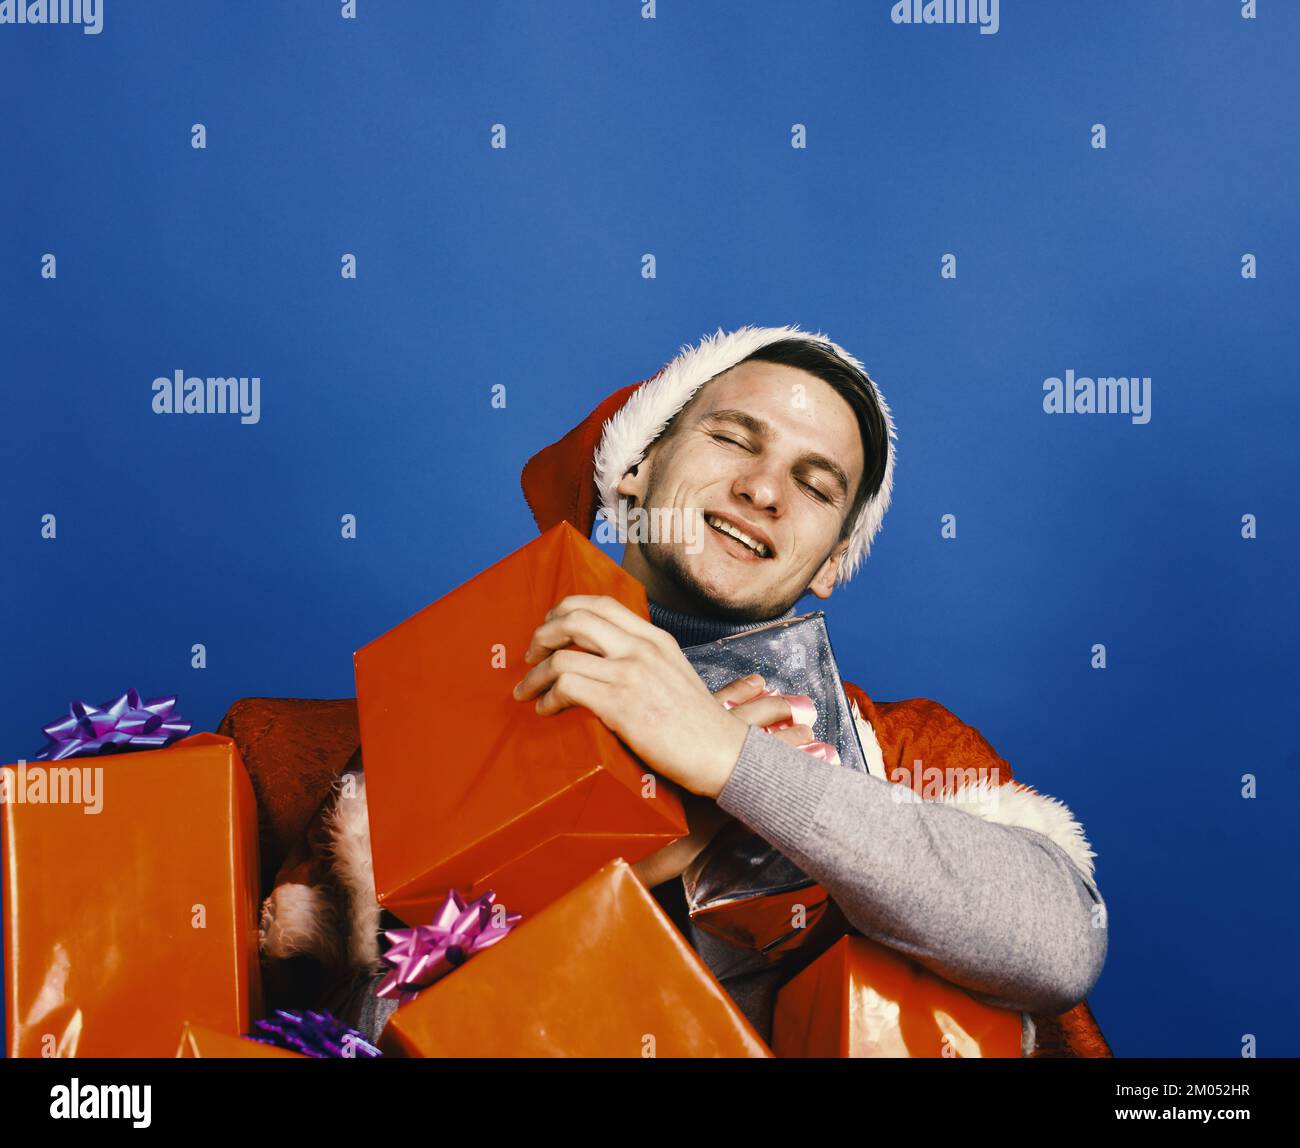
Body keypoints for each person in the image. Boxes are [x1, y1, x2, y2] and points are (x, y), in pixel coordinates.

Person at [264, 324, 1109, 1055]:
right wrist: (609, 861)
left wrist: (730, 762)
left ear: (831, 564)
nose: (765, 490)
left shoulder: (904, 745)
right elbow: (349, 1028)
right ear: (634, 468)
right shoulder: (430, 716)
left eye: (817, 486)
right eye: (734, 439)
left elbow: (1058, 949)